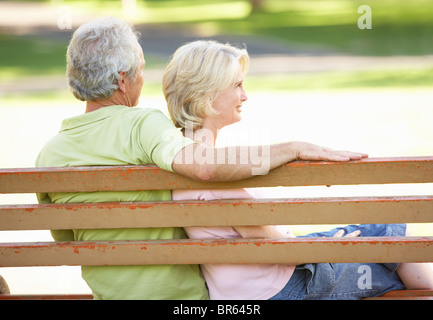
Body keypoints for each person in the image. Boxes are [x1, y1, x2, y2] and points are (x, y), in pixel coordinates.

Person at [35, 17, 366, 300]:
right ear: (122, 79)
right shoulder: (143, 126)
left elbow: (66, 239)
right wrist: (292, 148)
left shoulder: (49, 154)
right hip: (183, 299)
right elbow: (204, 166)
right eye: (140, 70)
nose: (142, 78)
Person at [163, 40, 433, 300]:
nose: (245, 95)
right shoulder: (215, 170)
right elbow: (274, 246)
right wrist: (328, 250)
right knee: (396, 253)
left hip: (252, 284)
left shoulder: (180, 157)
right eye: (237, 85)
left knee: (384, 232)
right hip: (280, 288)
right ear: (207, 95)